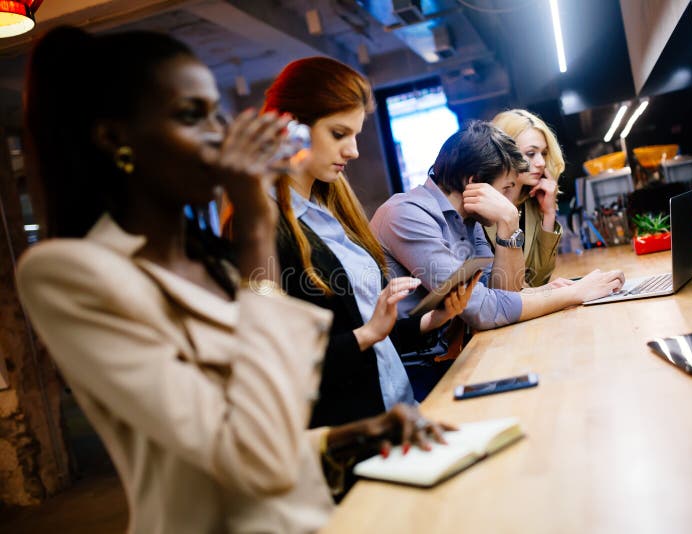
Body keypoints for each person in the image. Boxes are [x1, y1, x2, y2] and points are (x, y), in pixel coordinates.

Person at [17, 27, 448, 533]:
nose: (218, 134)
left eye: (216, 113)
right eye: (190, 115)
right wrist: (257, 227)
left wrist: (359, 434)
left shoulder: (211, 261)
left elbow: (283, 408)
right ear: (116, 139)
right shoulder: (68, 275)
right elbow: (246, 449)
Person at [260, 56, 478, 425]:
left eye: (356, 135)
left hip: (398, 410)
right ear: (292, 128)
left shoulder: (328, 210)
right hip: (351, 432)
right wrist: (368, 333)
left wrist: (437, 317)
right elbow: (285, 363)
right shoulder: (266, 228)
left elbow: (373, 330)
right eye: (339, 134)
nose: (354, 150)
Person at [371, 121, 625, 333]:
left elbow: (503, 293)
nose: (509, 199)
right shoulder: (405, 215)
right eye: (505, 189)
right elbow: (482, 312)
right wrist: (576, 293)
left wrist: (510, 230)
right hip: (422, 369)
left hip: (455, 352)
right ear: (475, 182)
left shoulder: (470, 217)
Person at [489, 109, 570, 288]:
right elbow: (496, 291)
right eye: (531, 154)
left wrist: (548, 213)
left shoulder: (530, 203)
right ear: (502, 153)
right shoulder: (481, 208)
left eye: (544, 153)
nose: (541, 162)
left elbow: (538, 279)